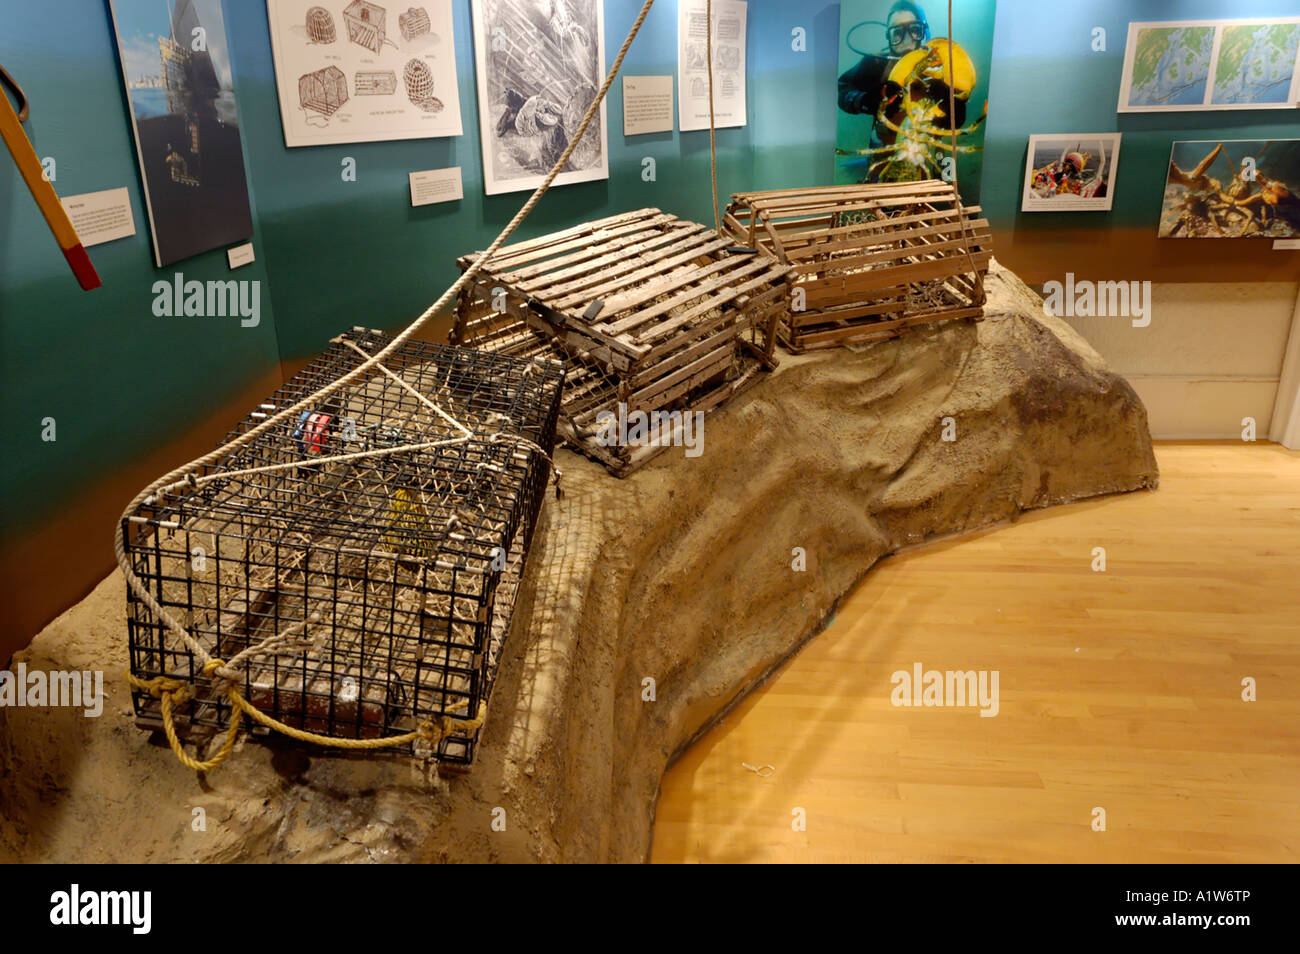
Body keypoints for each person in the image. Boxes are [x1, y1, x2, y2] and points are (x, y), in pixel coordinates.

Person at [838, 1, 930, 118]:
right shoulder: (876, 64)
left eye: (914, 30)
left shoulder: (934, 66)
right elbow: (843, 87)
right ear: (888, 37)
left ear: (922, 32)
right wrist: (863, 101)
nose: (907, 41)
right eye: (897, 33)